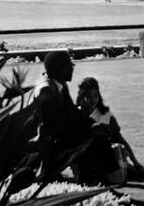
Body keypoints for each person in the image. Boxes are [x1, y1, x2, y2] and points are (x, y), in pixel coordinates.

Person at [33, 51, 119, 184]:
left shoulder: (58, 85)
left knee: (98, 132)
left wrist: (92, 124)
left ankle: (101, 180)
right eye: (69, 66)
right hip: (48, 146)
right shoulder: (48, 93)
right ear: (60, 69)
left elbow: (72, 113)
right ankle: (97, 182)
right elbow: (55, 127)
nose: (72, 69)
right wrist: (88, 130)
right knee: (94, 139)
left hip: (58, 138)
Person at [78, 76, 144, 184]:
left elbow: (121, 140)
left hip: (108, 157)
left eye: (95, 96)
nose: (93, 100)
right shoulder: (76, 114)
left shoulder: (106, 115)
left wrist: (135, 161)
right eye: (89, 97)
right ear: (82, 97)